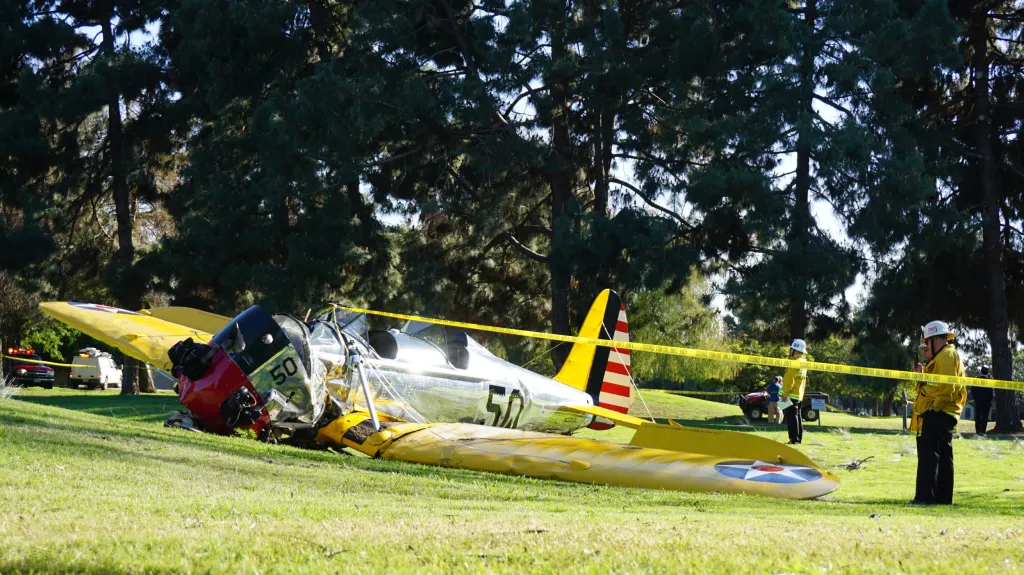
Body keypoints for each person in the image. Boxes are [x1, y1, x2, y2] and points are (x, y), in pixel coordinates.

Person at [909, 320, 967, 506]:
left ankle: (925, 498)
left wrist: (935, 408)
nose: (925, 347)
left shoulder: (947, 356)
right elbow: (927, 388)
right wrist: (920, 375)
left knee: (929, 455)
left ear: (935, 340)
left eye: (927, 342)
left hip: (940, 412)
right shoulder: (941, 357)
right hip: (943, 412)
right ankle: (942, 499)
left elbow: (947, 386)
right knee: (942, 456)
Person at [780, 339, 808, 444]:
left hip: (791, 393)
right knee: (798, 417)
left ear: (794, 350)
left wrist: (784, 394)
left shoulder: (794, 362)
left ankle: (794, 440)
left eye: (791, 348)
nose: (790, 350)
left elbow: (789, 380)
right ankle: (798, 439)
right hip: (798, 394)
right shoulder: (804, 362)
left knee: (792, 418)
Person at [971, 366, 994, 436]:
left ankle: (977, 431)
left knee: (977, 416)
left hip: (978, 401)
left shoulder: (976, 380)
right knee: (985, 417)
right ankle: (983, 431)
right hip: (986, 402)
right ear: (987, 373)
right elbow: (991, 393)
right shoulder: (989, 381)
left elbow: (973, 391)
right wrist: (989, 400)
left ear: (980, 371)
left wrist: (976, 399)